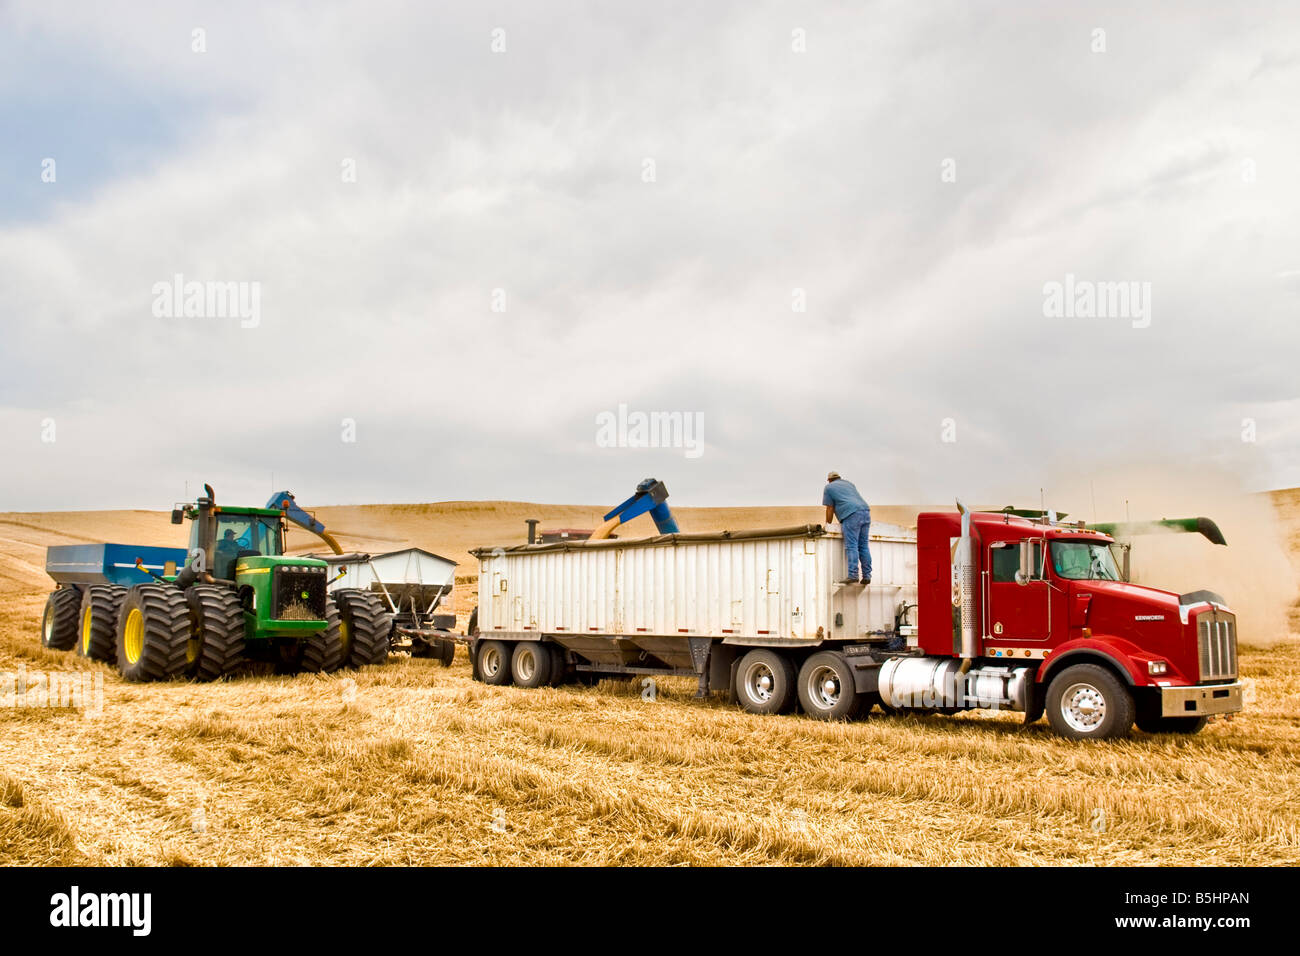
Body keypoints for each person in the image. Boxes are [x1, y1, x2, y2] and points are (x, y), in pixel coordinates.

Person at [823, 471, 871, 585]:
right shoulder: (849, 484)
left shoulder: (829, 488)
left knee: (852, 545)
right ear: (839, 478)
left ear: (829, 480)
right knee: (863, 546)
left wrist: (827, 525)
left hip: (851, 514)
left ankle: (853, 575)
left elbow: (830, 508)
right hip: (865, 511)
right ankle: (867, 576)